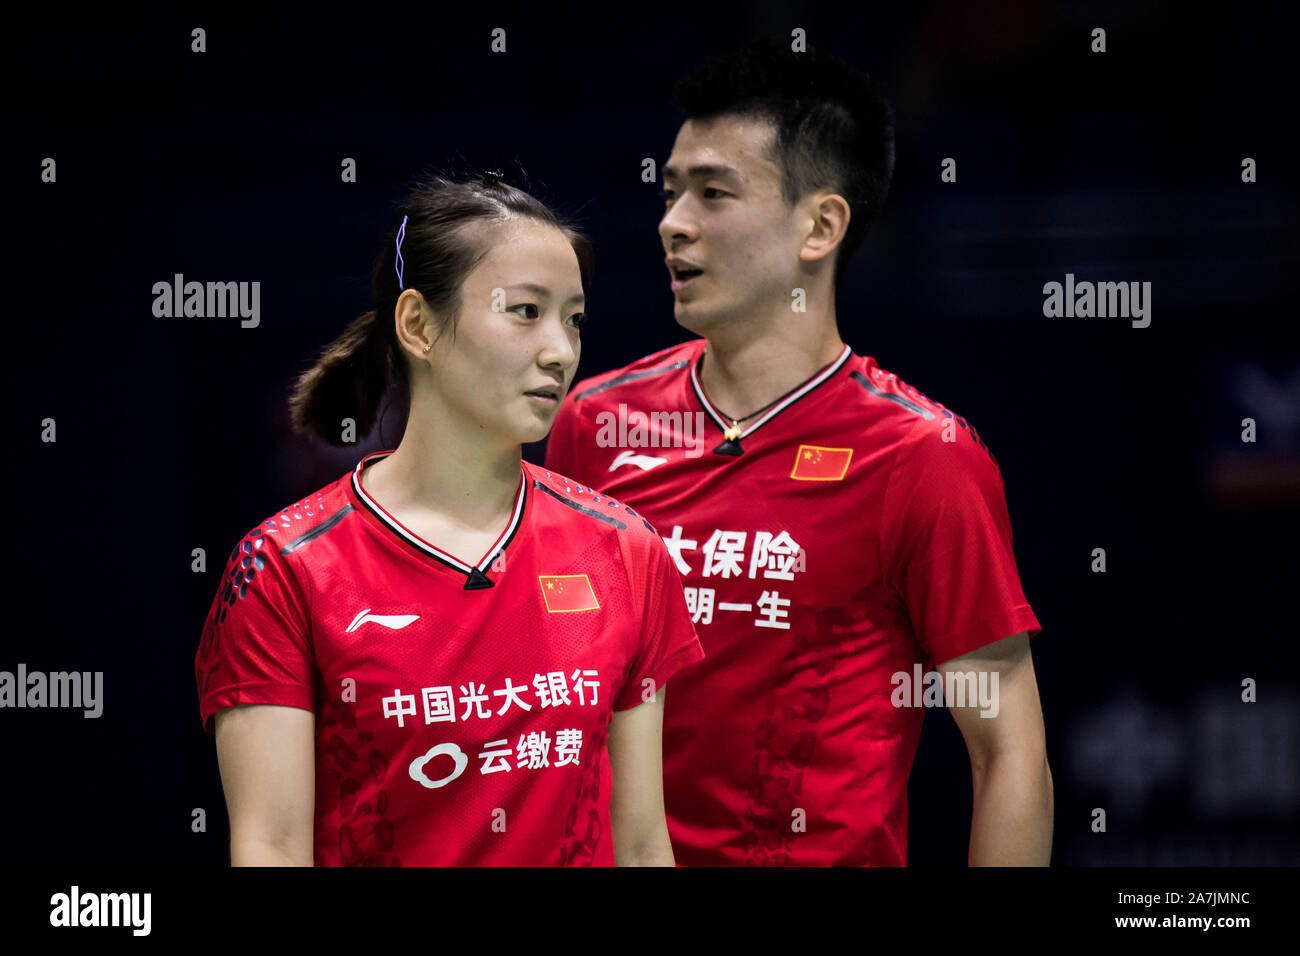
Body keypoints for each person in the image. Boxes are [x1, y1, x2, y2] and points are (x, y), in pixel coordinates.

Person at [544, 39, 1052, 865]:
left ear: (820, 225)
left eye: (713, 193)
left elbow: (1008, 753)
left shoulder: (922, 458)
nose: (673, 223)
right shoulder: (594, 426)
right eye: (671, 192)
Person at [194, 173, 704, 866]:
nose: (559, 350)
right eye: (525, 311)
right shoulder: (286, 569)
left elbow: (641, 842)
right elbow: (273, 850)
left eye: (574, 318)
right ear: (418, 326)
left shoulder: (626, 550)